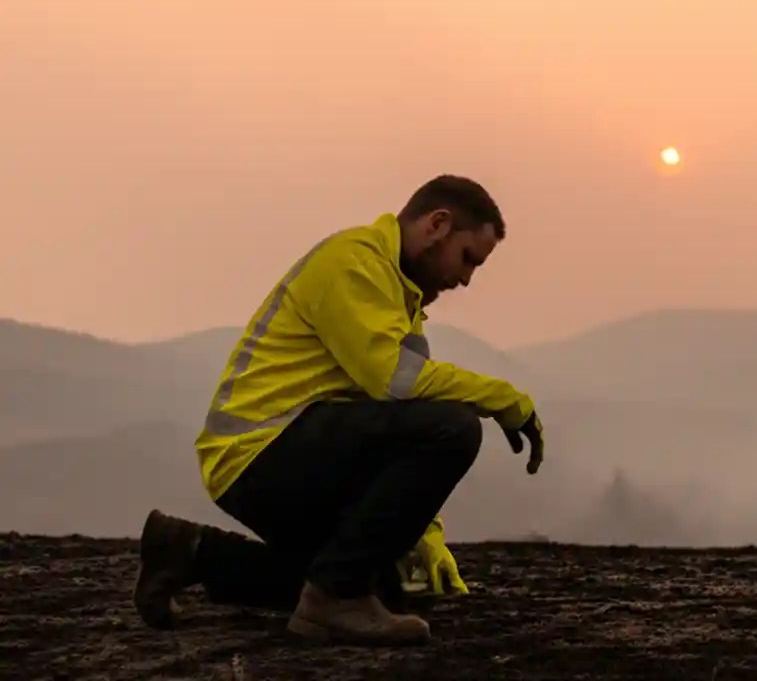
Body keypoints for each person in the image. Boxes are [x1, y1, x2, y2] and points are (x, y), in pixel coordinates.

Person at [131, 175, 546, 646]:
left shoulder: (397, 295)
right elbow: (394, 381)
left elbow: (399, 428)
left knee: (393, 590)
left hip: (296, 458)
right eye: (468, 257)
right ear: (438, 224)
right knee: (454, 427)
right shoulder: (353, 263)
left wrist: (424, 538)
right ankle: (333, 600)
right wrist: (505, 399)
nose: (467, 278)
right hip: (259, 453)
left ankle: (190, 552)